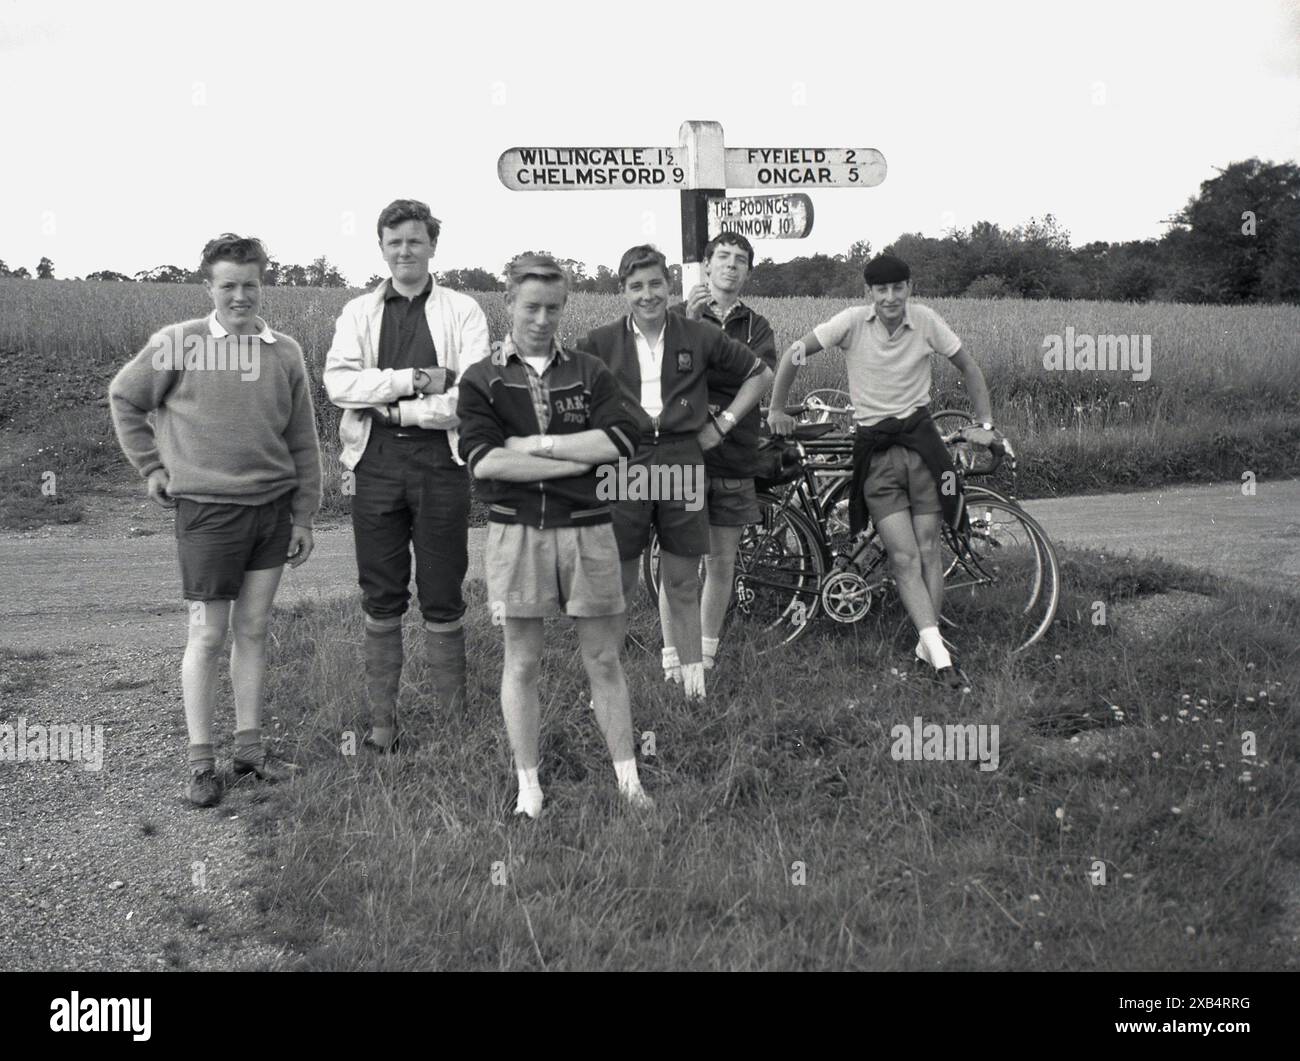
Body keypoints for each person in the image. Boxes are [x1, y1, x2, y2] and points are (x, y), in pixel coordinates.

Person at [109, 234, 322, 807]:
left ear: (263, 284)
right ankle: (201, 765)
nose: (240, 295)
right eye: (228, 284)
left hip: (272, 514)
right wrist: (152, 466)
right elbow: (126, 398)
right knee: (207, 634)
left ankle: (249, 754)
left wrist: (303, 514)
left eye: (250, 283)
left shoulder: (285, 351)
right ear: (209, 287)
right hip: (207, 513)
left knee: (253, 630)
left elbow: (302, 440)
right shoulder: (180, 343)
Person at [457, 254, 650, 818]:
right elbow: (486, 463)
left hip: (589, 530)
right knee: (522, 661)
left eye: (554, 308)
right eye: (531, 306)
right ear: (509, 304)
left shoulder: (589, 371)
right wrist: (575, 457)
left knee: (605, 660)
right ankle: (529, 790)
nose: (543, 319)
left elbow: (620, 441)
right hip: (517, 533)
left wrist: (536, 448)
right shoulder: (482, 378)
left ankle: (629, 783)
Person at [766, 253, 999, 688]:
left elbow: (968, 366)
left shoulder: (926, 320)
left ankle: (927, 648)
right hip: (875, 453)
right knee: (904, 555)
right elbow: (795, 352)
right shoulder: (852, 322)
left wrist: (984, 425)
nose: (891, 298)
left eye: (898, 288)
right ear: (868, 293)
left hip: (923, 447)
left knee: (930, 549)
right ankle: (943, 662)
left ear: (910, 288)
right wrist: (777, 407)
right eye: (881, 290)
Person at [323, 199, 491, 752]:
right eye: (393, 242)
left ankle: (452, 730)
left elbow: (469, 396)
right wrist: (417, 379)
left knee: (442, 592)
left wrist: (396, 405)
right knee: (381, 592)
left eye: (414, 241)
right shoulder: (357, 313)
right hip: (374, 466)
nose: (404, 251)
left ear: (432, 246)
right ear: (381, 248)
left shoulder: (464, 311)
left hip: (441, 464)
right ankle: (382, 729)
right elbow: (339, 386)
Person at [576, 245, 772, 701]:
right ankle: (603, 688)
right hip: (624, 463)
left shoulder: (697, 333)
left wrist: (722, 425)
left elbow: (759, 373)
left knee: (682, 581)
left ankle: (693, 688)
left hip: (682, 460)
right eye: (636, 286)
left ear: (669, 285)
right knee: (617, 583)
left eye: (655, 284)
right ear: (623, 291)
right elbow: (561, 379)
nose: (647, 295)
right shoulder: (600, 341)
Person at [663, 231, 777, 679]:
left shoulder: (757, 325)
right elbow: (663, 377)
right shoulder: (675, 315)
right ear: (706, 265)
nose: (731, 266)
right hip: (680, 453)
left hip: (733, 452)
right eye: (723, 257)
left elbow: (759, 377)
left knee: (721, 560)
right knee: (678, 560)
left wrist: (723, 416)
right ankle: (673, 658)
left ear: (748, 272)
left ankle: (705, 656)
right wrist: (688, 328)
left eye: (741, 260)